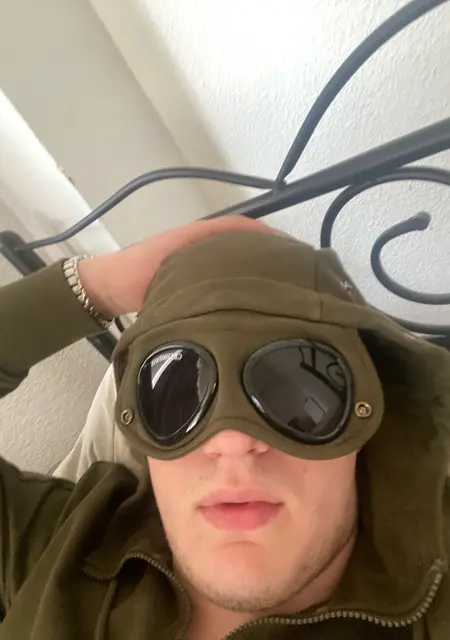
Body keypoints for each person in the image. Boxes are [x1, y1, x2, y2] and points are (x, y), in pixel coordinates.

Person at [0, 215, 449, 640]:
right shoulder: (56, 542)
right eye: (180, 403)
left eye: (297, 401)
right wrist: (98, 287)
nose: (232, 442)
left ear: (367, 412)